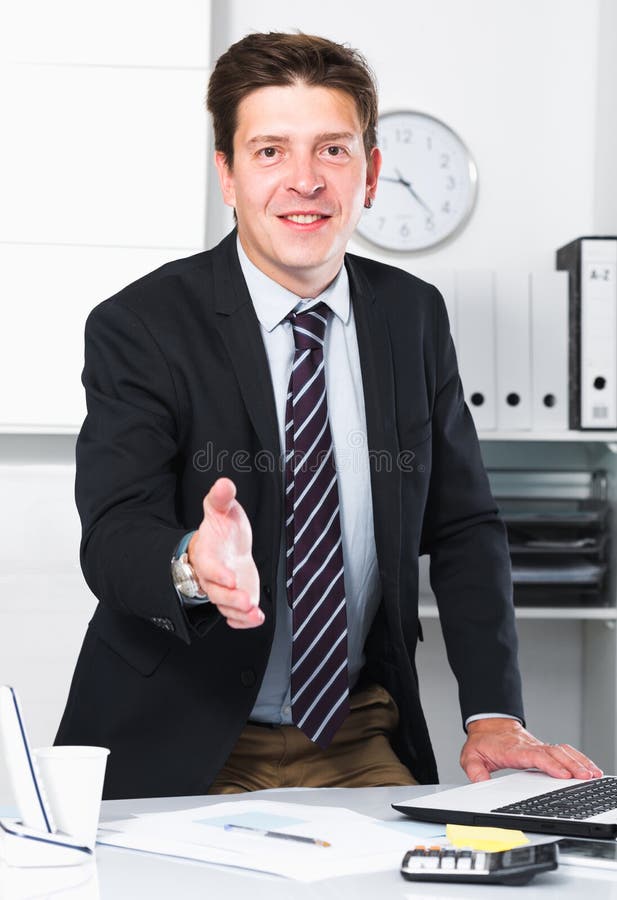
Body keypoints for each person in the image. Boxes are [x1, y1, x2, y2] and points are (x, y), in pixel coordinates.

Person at [55, 32, 601, 799]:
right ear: (229, 175)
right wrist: (191, 565)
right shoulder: (140, 324)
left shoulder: (410, 315)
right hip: (184, 731)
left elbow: (464, 527)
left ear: (370, 172)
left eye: (333, 151)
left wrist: (491, 715)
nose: (303, 181)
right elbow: (111, 533)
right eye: (270, 151)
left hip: (352, 731)